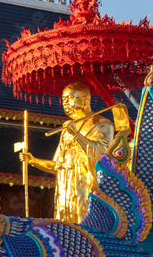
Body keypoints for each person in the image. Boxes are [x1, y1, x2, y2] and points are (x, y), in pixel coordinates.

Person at [18, 82, 114, 224]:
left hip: (87, 187)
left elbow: (101, 157)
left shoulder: (102, 125)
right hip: (65, 188)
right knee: (63, 223)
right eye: (64, 100)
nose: (65, 103)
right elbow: (57, 165)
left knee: (84, 223)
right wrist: (33, 161)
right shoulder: (66, 131)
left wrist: (76, 134)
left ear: (84, 100)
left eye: (69, 98)